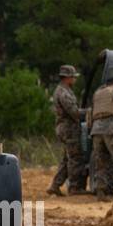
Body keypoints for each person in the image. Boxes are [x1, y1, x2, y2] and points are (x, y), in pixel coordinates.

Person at [48, 65, 87, 195]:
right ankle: (75, 188)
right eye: (73, 77)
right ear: (67, 78)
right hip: (68, 129)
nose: (75, 80)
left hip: (67, 128)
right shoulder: (63, 92)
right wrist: (88, 113)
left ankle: (55, 185)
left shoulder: (64, 90)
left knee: (67, 158)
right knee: (75, 158)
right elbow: (74, 112)